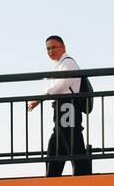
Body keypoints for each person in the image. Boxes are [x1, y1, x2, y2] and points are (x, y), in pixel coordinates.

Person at [26, 35, 92, 177]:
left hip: (68, 107)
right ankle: (53, 177)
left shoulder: (68, 63)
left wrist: (39, 99)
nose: (50, 51)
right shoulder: (60, 64)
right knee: (58, 144)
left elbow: (60, 86)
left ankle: (82, 177)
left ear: (63, 47)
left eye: (54, 47)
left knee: (72, 140)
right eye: (48, 48)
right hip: (62, 107)